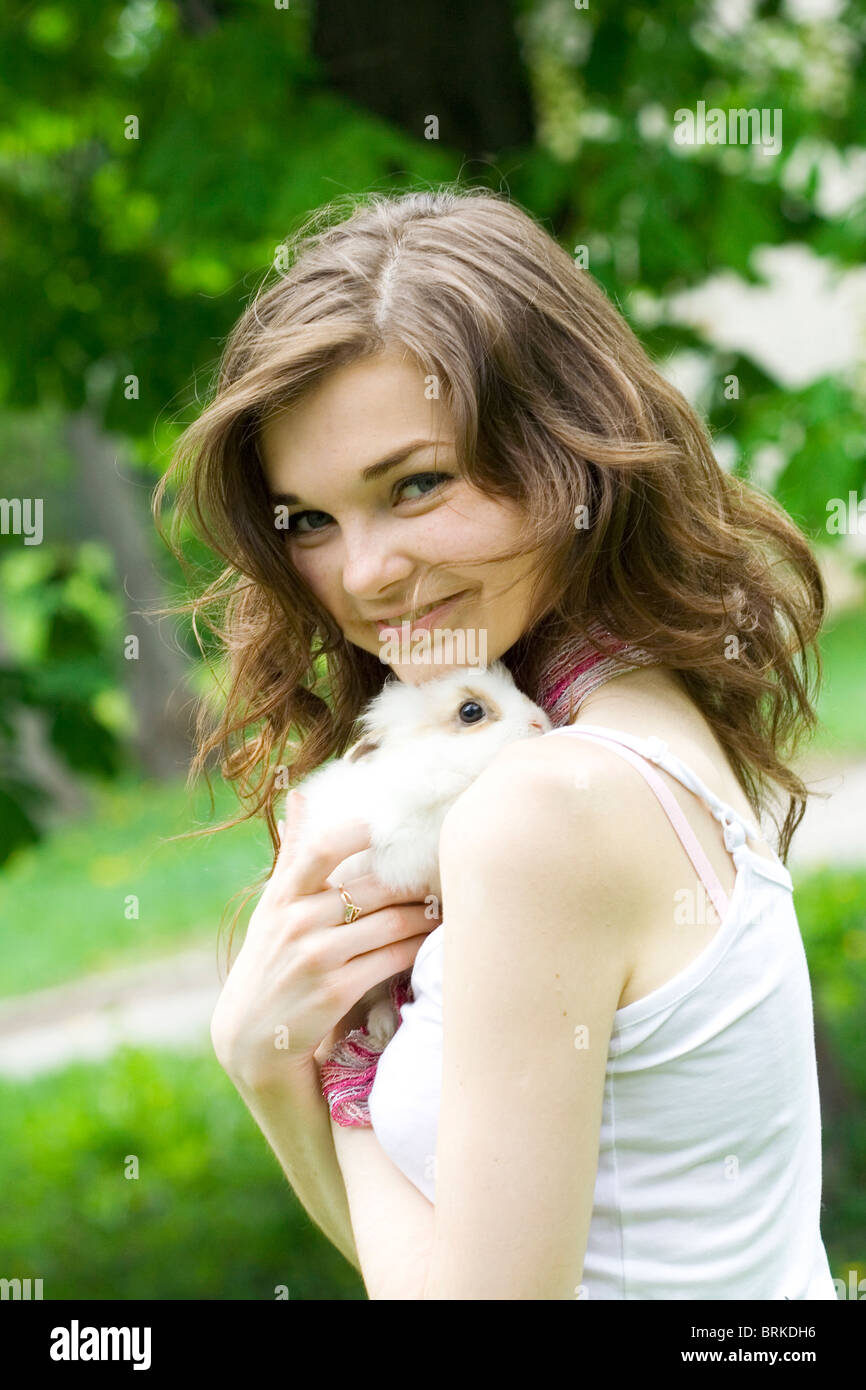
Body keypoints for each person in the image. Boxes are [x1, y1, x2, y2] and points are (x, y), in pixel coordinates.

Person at [153, 187, 837, 1300]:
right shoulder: (624, 718)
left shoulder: (543, 809)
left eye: (416, 484)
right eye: (312, 521)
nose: (365, 573)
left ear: (564, 447)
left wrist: (298, 1071)